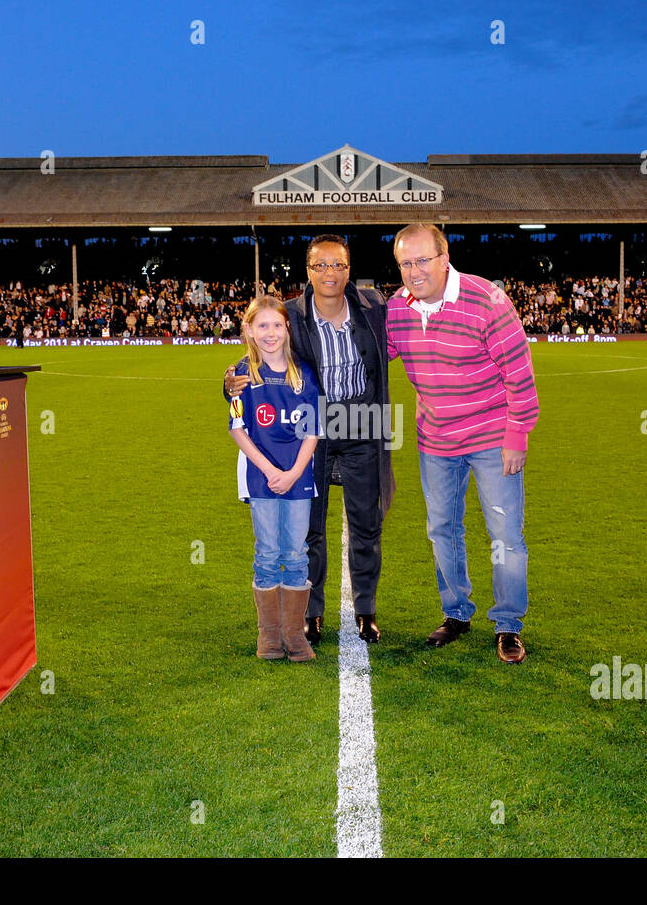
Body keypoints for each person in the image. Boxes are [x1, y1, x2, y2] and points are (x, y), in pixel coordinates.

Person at [225, 234, 394, 646]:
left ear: (349, 269)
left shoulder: (374, 307)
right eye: (320, 265)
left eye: (337, 265)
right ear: (308, 270)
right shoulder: (293, 315)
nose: (329, 273)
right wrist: (227, 383)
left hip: (362, 419)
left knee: (366, 525)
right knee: (310, 529)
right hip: (309, 427)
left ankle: (366, 610)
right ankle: (311, 614)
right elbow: (258, 359)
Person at [386, 223, 539, 664]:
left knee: (505, 534)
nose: (414, 271)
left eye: (421, 260)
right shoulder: (398, 308)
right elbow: (372, 354)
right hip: (435, 439)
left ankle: (508, 624)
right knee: (442, 529)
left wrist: (517, 436)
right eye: (405, 263)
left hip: (493, 438)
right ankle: (456, 613)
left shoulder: (486, 300)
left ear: (444, 256)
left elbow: (519, 373)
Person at [229, 296, 322, 662]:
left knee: (296, 553)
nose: (270, 333)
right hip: (261, 477)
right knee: (267, 553)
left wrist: (295, 472)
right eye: (262, 326)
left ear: (287, 329)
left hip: (298, 477)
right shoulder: (241, 374)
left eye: (277, 325)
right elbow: (238, 429)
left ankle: (294, 636)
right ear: (249, 330)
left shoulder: (304, 374)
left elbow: (313, 430)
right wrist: (269, 471)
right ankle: (268, 637)